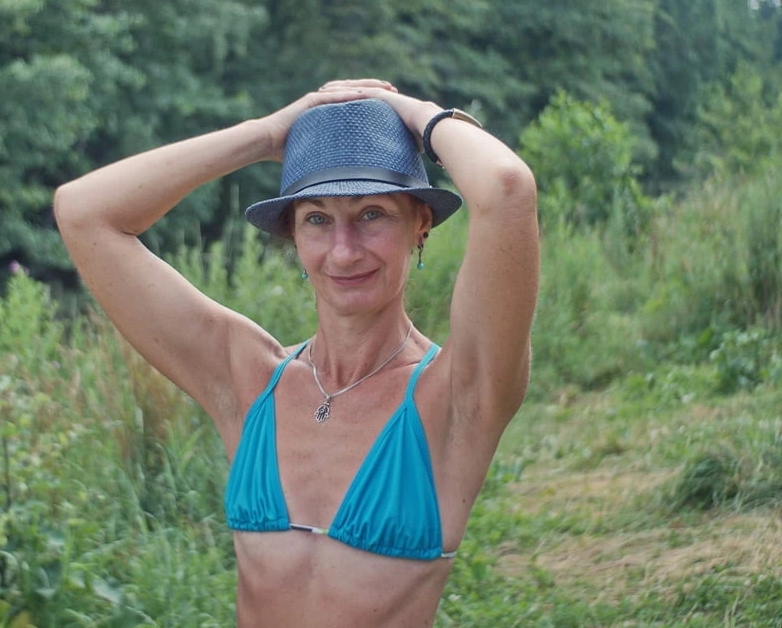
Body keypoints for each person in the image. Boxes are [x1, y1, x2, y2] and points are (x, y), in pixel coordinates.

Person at [53, 78, 539, 628]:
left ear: (419, 224)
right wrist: (266, 135)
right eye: (316, 219)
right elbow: (82, 211)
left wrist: (415, 115)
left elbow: (507, 188)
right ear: (293, 234)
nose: (343, 250)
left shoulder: (458, 397)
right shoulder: (248, 378)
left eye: (372, 213)